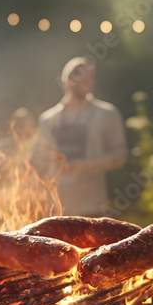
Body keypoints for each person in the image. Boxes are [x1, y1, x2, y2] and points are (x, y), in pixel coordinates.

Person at [32, 57, 128, 217]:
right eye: (80, 77)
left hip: (92, 205)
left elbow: (120, 156)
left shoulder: (106, 114)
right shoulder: (48, 120)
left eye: (89, 78)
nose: (87, 83)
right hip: (56, 208)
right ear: (67, 80)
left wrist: (87, 165)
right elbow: (37, 162)